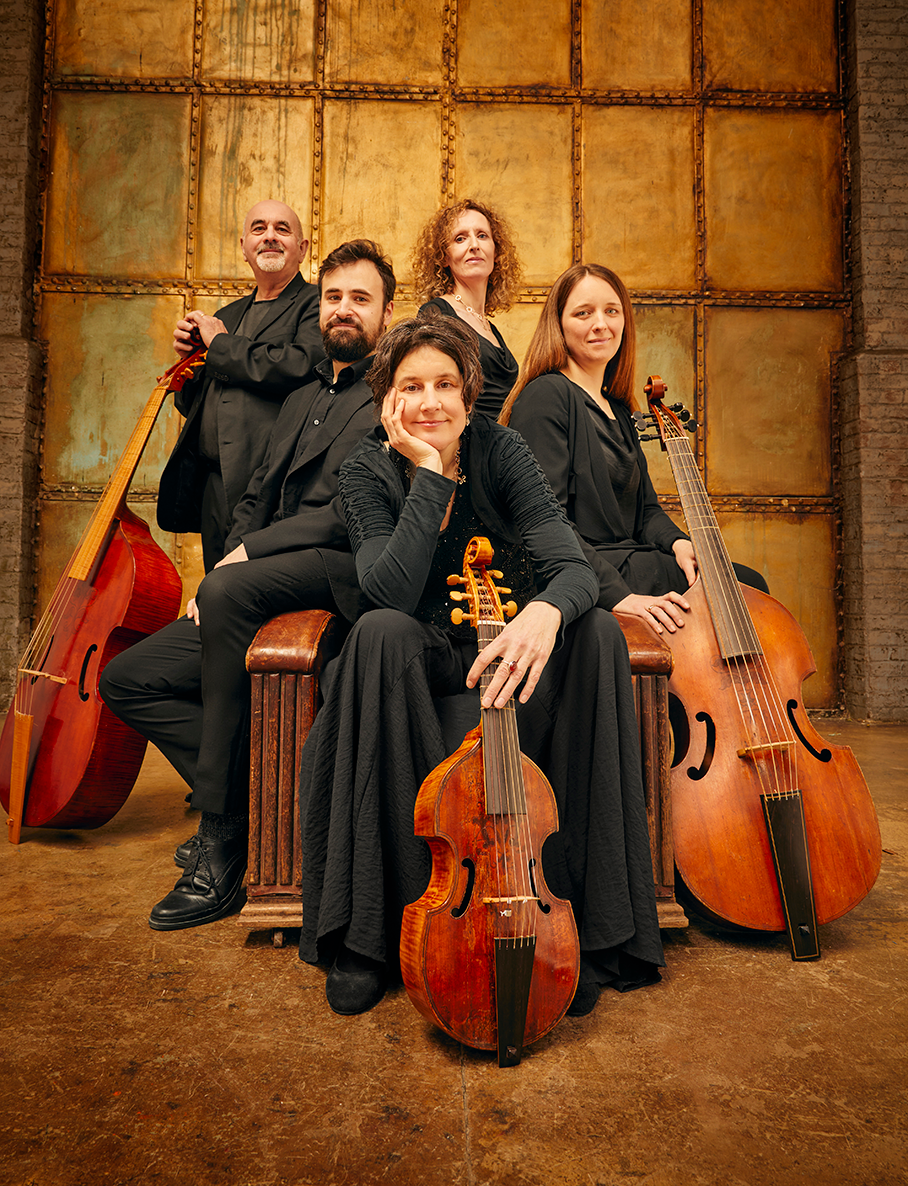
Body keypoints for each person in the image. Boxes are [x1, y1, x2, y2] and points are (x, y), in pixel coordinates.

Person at [297, 313, 664, 1020]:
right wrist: (429, 476)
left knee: (596, 636)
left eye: (445, 385)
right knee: (376, 633)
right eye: (412, 386)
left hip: (516, 658)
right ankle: (373, 939)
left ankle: (591, 931)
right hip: (422, 667)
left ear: (469, 398)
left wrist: (546, 613)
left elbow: (569, 560)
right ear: (387, 401)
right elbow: (388, 589)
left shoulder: (503, 451)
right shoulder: (368, 467)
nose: (430, 401)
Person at [99, 240, 396, 932]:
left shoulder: (393, 395)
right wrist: (229, 559)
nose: (343, 309)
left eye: (361, 297)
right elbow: (256, 495)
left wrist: (245, 559)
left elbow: (348, 514)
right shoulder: (297, 398)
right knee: (128, 677)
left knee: (230, 591)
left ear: (386, 311)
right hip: (263, 577)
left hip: (339, 571)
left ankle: (223, 834)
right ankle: (265, 791)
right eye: (333, 296)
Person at [500, 263, 767, 638]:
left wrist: (678, 542)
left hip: (629, 560)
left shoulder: (620, 410)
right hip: (586, 568)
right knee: (744, 587)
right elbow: (548, 523)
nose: (600, 324)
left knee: (743, 586)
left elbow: (646, 511)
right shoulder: (546, 397)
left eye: (611, 311)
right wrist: (620, 596)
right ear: (558, 324)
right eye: (583, 312)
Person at [158, 199, 326, 571]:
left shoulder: (315, 304)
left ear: (302, 248)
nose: (270, 236)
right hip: (215, 485)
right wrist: (188, 365)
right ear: (244, 248)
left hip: (270, 482)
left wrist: (221, 346)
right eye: (259, 228)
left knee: (255, 592)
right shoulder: (226, 316)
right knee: (216, 592)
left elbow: (301, 366)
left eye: (282, 229)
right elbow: (195, 405)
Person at [412, 198, 522, 420]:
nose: (474, 245)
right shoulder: (436, 314)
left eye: (482, 235)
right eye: (460, 238)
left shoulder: (489, 327)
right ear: (444, 257)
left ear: (496, 251)